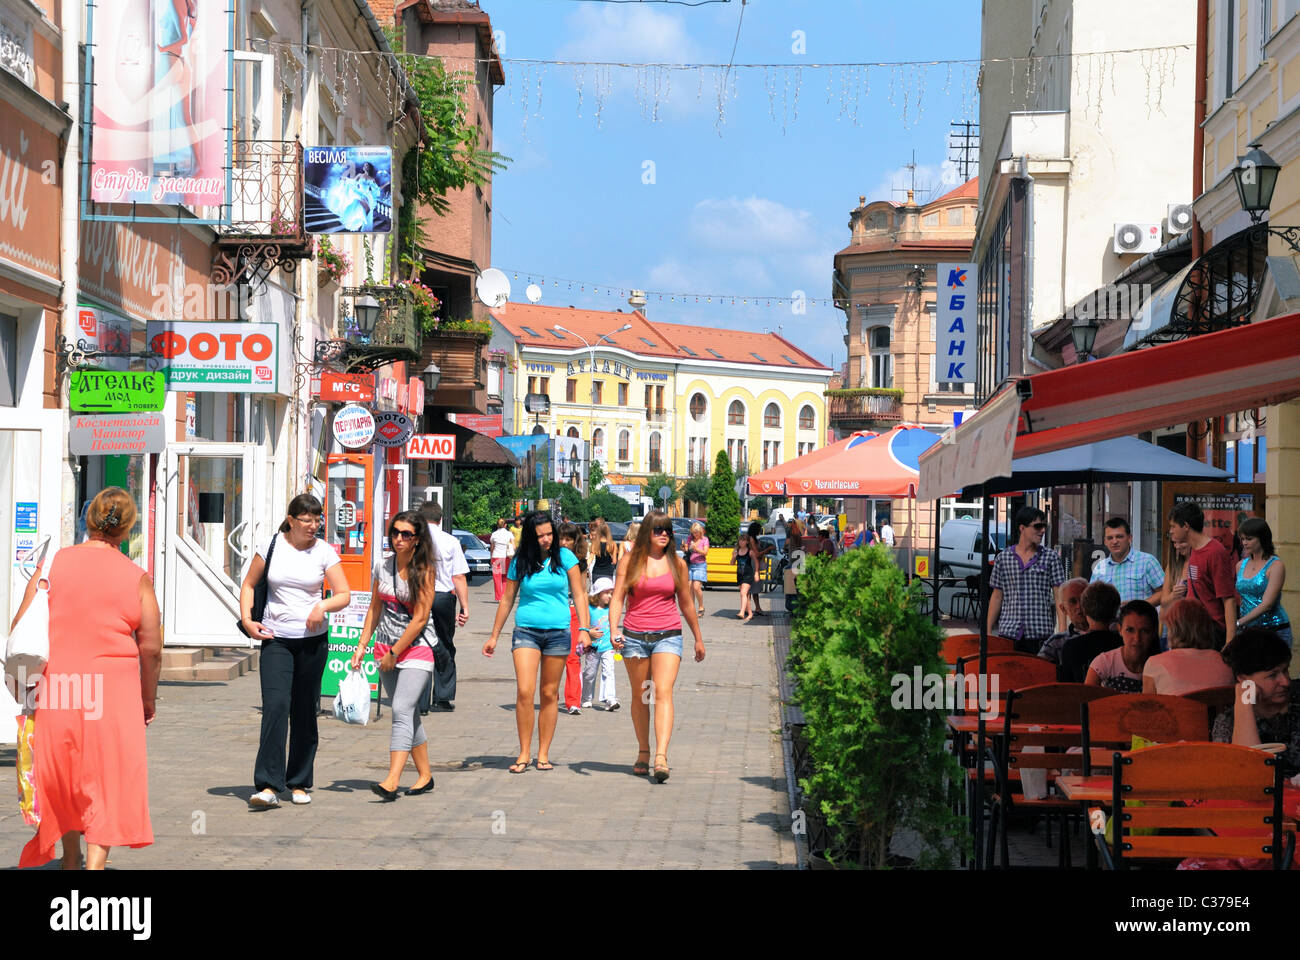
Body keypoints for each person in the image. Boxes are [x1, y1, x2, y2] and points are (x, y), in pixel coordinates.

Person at [17, 489, 162, 869]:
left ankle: (70, 859)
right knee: (107, 778)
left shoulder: (54, 563)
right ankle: (94, 866)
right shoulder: (137, 577)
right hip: (113, 693)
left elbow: (21, 623)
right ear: (128, 528)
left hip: (61, 687)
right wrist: (148, 699)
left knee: (66, 775)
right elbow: (151, 647)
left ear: (89, 519)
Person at [243, 493, 350, 808]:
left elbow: (343, 593)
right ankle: (267, 785)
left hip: (313, 642)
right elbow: (249, 584)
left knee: (304, 710)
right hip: (276, 639)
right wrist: (248, 620)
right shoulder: (272, 546)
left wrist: (323, 605)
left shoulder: (324, 552)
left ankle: (299, 781)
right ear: (291, 520)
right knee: (275, 706)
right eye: (307, 520)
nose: (314, 526)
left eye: (318, 520)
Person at [484, 511, 594, 773]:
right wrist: (494, 635)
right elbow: (508, 599)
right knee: (524, 691)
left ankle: (543, 754)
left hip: (558, 633)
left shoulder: (565, 557)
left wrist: (585, 629)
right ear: (531, 538)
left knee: (548, 693)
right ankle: (523, 753)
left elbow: (579, 594)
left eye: (549, 534)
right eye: (540, 535)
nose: (546, 539)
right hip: (526, 631)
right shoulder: (520, 561)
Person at [608, 511, 706, 782]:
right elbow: (617, 598)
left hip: (668, 635)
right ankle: (643, 751)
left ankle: (661, 756)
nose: (664, 535)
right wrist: (614, 629)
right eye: (658, 530)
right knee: (643, 696)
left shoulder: (677, 563)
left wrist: (698, 637)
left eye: (667, 530)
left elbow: (686, 603)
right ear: (646, 534)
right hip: (635, 636)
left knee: (662, 691)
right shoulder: (630, 561)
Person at [350, 512, 438, 801]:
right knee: (408, 713)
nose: (398, 539)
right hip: (384, 647)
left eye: (406, 534)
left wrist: (394, 652)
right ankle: (425, 776)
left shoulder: (424, 570)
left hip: (416, 648)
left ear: (417, 540)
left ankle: (392, 779)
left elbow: (420, 619)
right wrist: (363, 645)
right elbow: (375, 608)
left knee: (400, 708)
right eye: (395, 533)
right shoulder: (382, 566)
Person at [1213, 627, 1300, 779]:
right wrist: (1244, 705)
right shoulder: (1228, 722)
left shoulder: (1296, 704)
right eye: (1272, 675)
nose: (1285, 682)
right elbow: (1247, 776)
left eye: (1285, 670)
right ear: (1243, 679)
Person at [987, 506, 1067, 654]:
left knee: (1039, 675)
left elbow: (1059, 595)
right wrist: (988, 630)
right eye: (1038, 526)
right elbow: (997, 595)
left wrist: (1062, 631)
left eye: (1044, 526)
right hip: (1009, 632)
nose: (1043, 530)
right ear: (1022, 528)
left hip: (1040, 632)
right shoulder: (1003, 558)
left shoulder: (1051, 557)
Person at [420, 501, 469, 712]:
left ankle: (419, 701)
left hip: (418, 597)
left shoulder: (414, 539)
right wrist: (464, 607)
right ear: (440, 519)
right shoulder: (450, 541)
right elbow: (458, 576)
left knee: (418, 645)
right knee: (444, 643)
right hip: (442, 598)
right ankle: (442, 697)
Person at [1169, 501, 1237, 648]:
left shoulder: (1214, 552)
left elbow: (1228, 599)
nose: (1171, 531)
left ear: (1186, 526)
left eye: (1173, 526)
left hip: (1210, 633)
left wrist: (1230, 641)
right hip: (1193, 630)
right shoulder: (1193, 550)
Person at [1142, 599, 1234, 696]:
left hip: (1178, 711)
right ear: (1207, 627)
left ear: (1174, 630)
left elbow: (1147, 709)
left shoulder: (1155, 664)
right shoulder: (1226, 664)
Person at [1235, 517, 1291, 647]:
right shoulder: (1240, 565)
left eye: (1249, 539)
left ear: (1262, 538)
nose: (1244, 543)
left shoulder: (1275, 565)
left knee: (1272, 667)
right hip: (1247, 630)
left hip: (1274, 629)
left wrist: (1238, 623)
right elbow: (1244, 598)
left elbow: (1267, 604)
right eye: (1242, 539)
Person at [1085, 599, 1159, 693]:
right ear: (1120, 629)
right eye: (1130, 630)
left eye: (1144, 631)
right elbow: (1085, 701)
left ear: (1154, 632)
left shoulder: (1161, 667)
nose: (1137, 638)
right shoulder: (1104, 662)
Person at [1058, 581, 1122, 684]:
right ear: (1116, 609)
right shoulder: (1124, 643)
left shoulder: (1071, 647)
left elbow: (1065, 688)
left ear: (1084, 609)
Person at [1089, 517, 1164, 604]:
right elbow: (1092, 600)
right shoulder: (1100, 567)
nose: (1114, 541)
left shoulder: (1147, 561)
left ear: (1129, 538)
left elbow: (1163, 592)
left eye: (1119, 536)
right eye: (1110, 538)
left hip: (1140, 616)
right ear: (1105, 541)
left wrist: (1137, 607)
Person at [558, 521, 589, 715]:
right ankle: (551, 695)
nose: (564, 542)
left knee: (573, 658)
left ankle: (573, 701)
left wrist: (586, 624)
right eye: (561, 538)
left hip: (573, 613)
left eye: (568, 539)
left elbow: (583, 592)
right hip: (554, 612)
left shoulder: (581, 563)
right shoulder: (549, 560)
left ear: (575, 541)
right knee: (553, 659)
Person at [581, 577, 618, 710]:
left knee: (609, 671)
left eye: (611, 592)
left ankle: (610, 699)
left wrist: (618, 637)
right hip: (593, 648)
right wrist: (589, 632)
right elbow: (584, 625)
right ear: (598, 593)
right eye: (606, 592)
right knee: (589, 673)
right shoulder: (590, 608)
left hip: (608, 647)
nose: (610, 595)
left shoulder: (612, 608)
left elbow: (614, 626)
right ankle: (586, 697)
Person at [1037, 577, 1089, 665]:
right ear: (1063, 609)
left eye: (1083, 599)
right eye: (1073, 601)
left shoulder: (1109, 633)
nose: (1079, 606)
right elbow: (1039, 671)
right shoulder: (1055, 643)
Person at [747, 521, 773, 615]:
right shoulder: (751, 539)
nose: (760, 531)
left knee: (754, 588)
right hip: (752, 565)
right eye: (759, 529)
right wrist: (768, 549)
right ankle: (751, 608)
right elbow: (756, 554)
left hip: (754, 565)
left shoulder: (754, 539)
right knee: (751, 588)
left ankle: (754, 608)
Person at [684, 522, 710, 617]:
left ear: (700, 532)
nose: (695, 535)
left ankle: (701, 606)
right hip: (691, 565)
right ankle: (691, 608)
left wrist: (696, 548)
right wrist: (684, 548)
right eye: (693, 533)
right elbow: (687, 549)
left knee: (696, 587)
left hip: (700, 565)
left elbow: (705, 552)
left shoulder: (704, 540)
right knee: (689, 587)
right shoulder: (690, 539)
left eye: (696, 533)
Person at [732, 532, 758, 622]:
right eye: (740, 541)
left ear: (747, 542)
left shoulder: (750, 552)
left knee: (743, 593)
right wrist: (733, 557)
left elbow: (756, 562)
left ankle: (742, 612)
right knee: (745, 595)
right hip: (739, 575)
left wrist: (756, 573)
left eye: (743, 541)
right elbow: (731, 563)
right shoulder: (736, 551)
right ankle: (750, 613)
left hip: (748, 575)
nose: (741, 542)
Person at [489, 517, 514, 603]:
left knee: (497, 578)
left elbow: (492, 547)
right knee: (504, 578)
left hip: (496, 557)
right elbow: (513, 547)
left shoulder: (494, 534)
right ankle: (503, 596)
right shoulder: (509, 534)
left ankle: (498, 597)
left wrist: (491, 557)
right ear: (505, 525)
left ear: (497, 525)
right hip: (506, 557)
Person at [589, 518, 617, 583]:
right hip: (608, 572)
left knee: (597, 592)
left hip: (596, 572)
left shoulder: (595, 543)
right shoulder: (612, 544)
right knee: (607, 593)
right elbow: (614, 561)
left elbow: (590, 558)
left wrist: (586, 566)